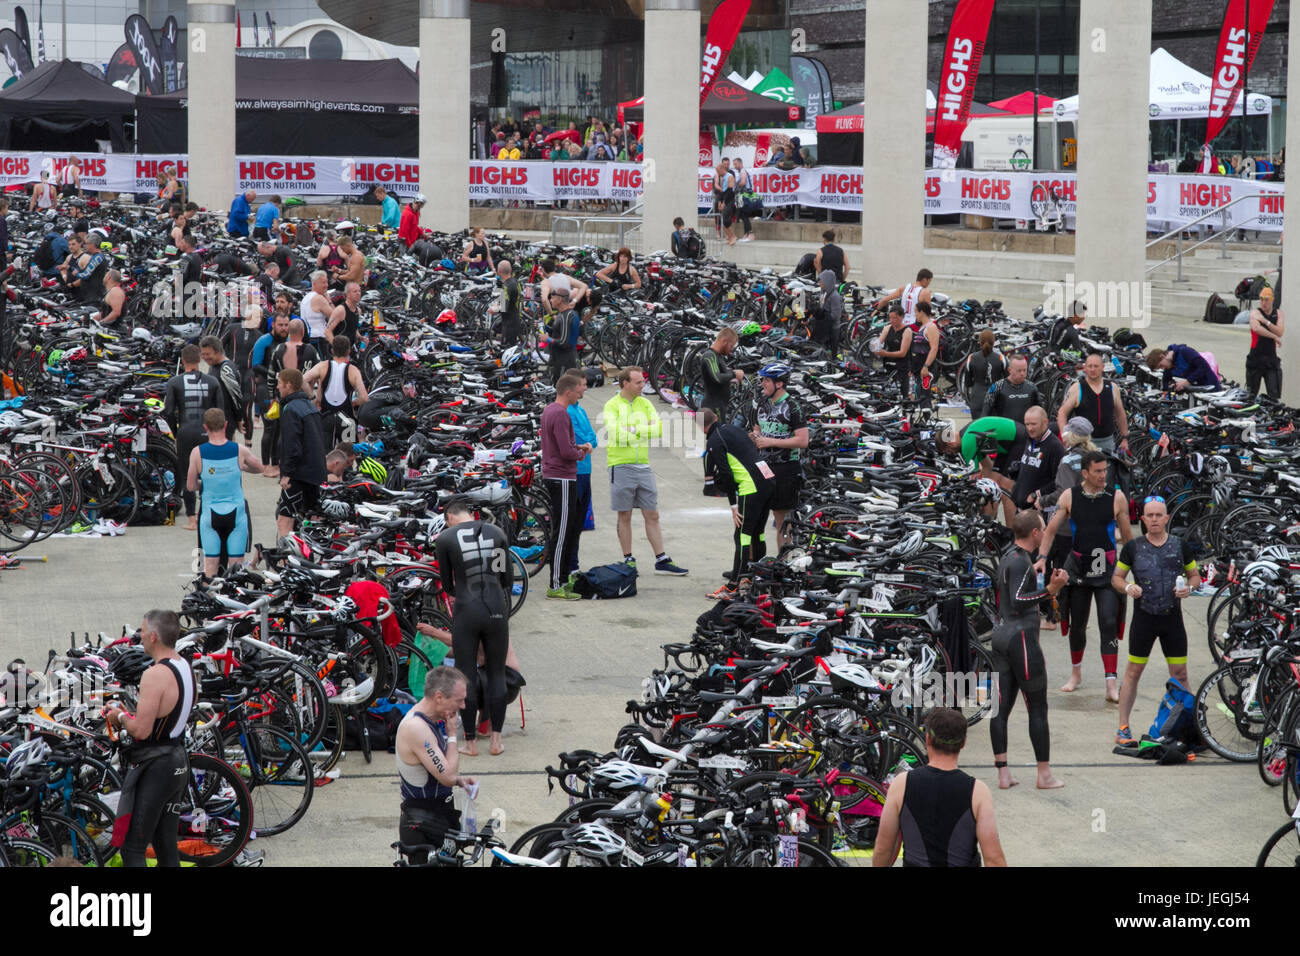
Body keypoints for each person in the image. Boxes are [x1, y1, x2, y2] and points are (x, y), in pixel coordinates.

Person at [1036, 450, 1135, 699]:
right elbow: (1049, 531)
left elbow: (1129, 539)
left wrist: (1136, 568)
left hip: (1107, 571)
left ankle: (1111, 682)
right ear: (1085, 473)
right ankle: (1076, 673)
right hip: (1079, 569)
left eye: (1105, 470)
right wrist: (1042, 558)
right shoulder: (1070, 496)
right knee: (1077, 625)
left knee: (1108, 622)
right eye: (1098, 471)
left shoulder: (1117, 497)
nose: (1104, 475)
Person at [103, 610, 194, 868]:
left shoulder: (154, 674)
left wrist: (119, 716)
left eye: (143, 630)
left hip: (157, 767)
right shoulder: (183, 666)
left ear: (153, 636)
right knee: (165, 844)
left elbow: (141, 731)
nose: (140, 635)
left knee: (133, 848)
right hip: (177, 761)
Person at [1111, 496, 1201, 747]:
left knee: (1180, 674)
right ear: (1142, 519)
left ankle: (1189, 726)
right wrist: (1128, 586)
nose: (1154, 520)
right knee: (1133, 672)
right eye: (1149, 516)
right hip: (1144, 619)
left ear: (1166, 518)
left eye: (1158, 515)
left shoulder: (1180, 546)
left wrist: (1189, 590)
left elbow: (1195, 576)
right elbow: (1116, 578)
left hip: (1172, 619)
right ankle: (1123, 727)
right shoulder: (1133, 547)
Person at [989, 512, 1068, 791]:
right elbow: (1019, 599)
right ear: (1034, 533)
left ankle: (1003, 773)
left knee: (1000, 710)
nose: (1045, 533)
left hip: (1000, 637)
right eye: (1043, 529)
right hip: (1021, 640)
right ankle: (1044, 775)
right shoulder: (1021, 561)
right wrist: (1051, 589)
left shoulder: (1010, 555)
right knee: (1038, 709)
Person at [873, 708, 1007, 867]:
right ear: (963, 743)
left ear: (927, 739)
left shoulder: (901, 784)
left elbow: (883, 849)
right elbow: (993, 858)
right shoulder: (978, 791)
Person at [434, 500, 512, 757]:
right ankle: (497, 741)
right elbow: (505, 579)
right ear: (471, 514)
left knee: (465, 675)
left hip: (467, 610)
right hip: (496, 607)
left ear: (449, 517)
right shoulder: (496, 532)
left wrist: (466, 597)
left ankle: (470, 743)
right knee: (497, 672)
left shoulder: (445, 538)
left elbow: (447, 584)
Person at [604, 366, 688, 575]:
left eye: (642, 381)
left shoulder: (645, 403)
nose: (643, 385)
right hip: (620, 465)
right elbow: (616, 435)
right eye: (638, 382)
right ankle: (628, 558)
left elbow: (658, 430)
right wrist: (641, 431)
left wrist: (632, 429)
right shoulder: (612, 405)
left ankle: (661, 559)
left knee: (652, 514)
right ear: (625, 383)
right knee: (624, 515)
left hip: (643, 465)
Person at [394, 667, 477, 863]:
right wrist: (451, 736)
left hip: (436, 816)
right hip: (422, 824)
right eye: (459, 700)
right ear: (439, 697)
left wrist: (460, 781)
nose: (463, 706)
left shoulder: (430, 721)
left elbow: (446, 771)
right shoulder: (416, 728)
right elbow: (447, 777)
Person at [699, 407, 772, 599]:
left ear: (701, 427)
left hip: (751, 486)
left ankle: (733, 587)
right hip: (767, 478)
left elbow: (726, 475)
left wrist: (734, 506)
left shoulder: (714, 440)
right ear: (716, 417)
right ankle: (755, 576)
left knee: (742, 536)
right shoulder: (733, 428)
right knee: (758, 533)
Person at [187, 408, 263, 577]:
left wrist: (205, 482)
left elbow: (191, 486)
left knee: (211, 567)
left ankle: (212, 600)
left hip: (210, 515)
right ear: (226, 425)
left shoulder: (197, 453)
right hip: (236, 515)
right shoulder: (239, 450)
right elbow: (259, 468)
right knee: (237, 569)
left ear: (205, 427)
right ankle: (233, 601)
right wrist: (240, 468)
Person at [541, 371, 592, 599]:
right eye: (579, 389)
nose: (582, 392)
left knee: (567, 529)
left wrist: (575, 449)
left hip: (559, 475)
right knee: (562, 532)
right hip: (561, 476)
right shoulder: (561, 414)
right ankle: (555, 584)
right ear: (568, 391)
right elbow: (565, 450)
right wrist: (582, 451)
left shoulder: (550, 410)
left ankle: (561, 579)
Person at [163, 344, 222, 532]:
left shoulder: (174, 382)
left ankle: (192, 519)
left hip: (186, 432)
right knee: (209, 476)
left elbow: (169, 412)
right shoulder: (212, 382)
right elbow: (219, 412)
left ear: (184, 360)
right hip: (208, 433)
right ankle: (206, 516)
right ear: (199, 359)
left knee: (189, 475)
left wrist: (175, 432)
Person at [753, 363, 808, 553]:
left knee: (782, 521)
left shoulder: (793, 407)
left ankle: (783, 562)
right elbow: (757, 426)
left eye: (767, 380)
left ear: (779, 384)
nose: (762, 384)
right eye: (762, 380)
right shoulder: (763, 402)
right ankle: (753, 564)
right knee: (756, 518)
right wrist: (756, 435)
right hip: (763, 467)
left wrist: (769, 442)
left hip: (785, 470)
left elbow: (802, 440)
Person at [275, 368, 327, 538]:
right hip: (316, 473)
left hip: (298, 474)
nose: (278, 387)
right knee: (313, 518)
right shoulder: (309, 406)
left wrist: (287, 474)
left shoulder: (291, 409)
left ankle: (285, 560)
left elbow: (292, 446)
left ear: (289, 385)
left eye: (280, 384)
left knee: (285, 519)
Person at [1055, 350, 1130, 456]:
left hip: (1107, 442)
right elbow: (1062, 413)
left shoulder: (1112, 387)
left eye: (1096, 366)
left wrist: (1124, 438)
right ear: (1085, 368)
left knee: (1105, 471)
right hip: (1083, 442)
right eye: (1089, 366)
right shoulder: (1077, 388)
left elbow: (1120, 414)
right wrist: (1065, 434)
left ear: (1103, 367)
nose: (1092, 369)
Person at [303, 335, 369, 446]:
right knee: (348, 455)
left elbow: (302, 379)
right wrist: (353, 403)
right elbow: (364, 398)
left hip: (326, 417)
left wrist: (312, 398)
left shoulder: (322, 366)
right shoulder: (353, 370)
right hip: (346, 418)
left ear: (332, 350)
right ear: (349, 351)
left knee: (326, 455)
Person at [566, 374, 599, 575]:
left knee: (579, 523)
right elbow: (579, 438)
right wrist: (587, 443)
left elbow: (592, 439)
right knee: (573, 522)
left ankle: (574, 564)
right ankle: (570, 565)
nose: (586, 388)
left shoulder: (581, 410)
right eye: (584, 384)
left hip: (585, 470)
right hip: (575, 472)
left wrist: (588, 443)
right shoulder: (568, 412)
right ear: (574, 386)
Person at [251, 311, 291, 477]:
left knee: (280, 428)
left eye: (286, 325)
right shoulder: (264, 341)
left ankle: (276, 463)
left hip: (281, 390)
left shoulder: (289, 342)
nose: (283, 328)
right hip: (264, 389)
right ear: (273, 325)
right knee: (270, 428)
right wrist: (274, 374)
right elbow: (255, 365)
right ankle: (266, 465)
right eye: (280, 325)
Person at [221, 305, 266, 444]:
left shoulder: (260, 337)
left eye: (260, 317)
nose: (259, 320)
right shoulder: (232, 328)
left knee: (247, 411)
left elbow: (262, 360)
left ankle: (248, 446)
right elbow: (218, 347)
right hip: (230, 375)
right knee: (227, 410)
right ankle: (230, 443)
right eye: (256, 316)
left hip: (248, 376)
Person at [199, 336, 245, 441]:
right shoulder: (213, 365)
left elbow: (236, 397)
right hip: (216, 420)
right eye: (203, 354)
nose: (205, 357)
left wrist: (239, 419)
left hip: (225, 421)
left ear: (219, 351)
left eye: (208, 354)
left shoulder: (226, 369)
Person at [1246, 287, 1284, 400]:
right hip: (1255, 359)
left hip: (1271, 360)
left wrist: (1265, 321)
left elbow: (1280, 331)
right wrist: (1273, 336)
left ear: (1272, 299)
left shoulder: (1279, 313)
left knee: (1274, 396)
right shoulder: (1255, 312)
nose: (1263, 302)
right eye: (1261, 299)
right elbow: (1256, 328)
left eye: (1266, 299)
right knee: (1251, 396)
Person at [699, 327, 744, 418]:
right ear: (724, 341)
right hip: (712, 407)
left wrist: (730, 373)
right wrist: (734, 374)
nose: (731, 350)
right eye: (731, 346)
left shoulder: (717, 356)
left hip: (718, 405)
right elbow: (717, 377)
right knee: (716, 432)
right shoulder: (710, 356)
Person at [981, 353, 1040, 424]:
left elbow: (1040, 413)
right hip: (1004, 430)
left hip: (1025, 431)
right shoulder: (997, 386)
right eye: (1019, 370)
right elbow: (985, 413)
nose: (1022, 373)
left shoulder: (1032, 387)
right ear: (1009, 370)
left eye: (1024, 370)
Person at [963, 330, 1005, 417]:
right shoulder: (1001, 358)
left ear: (979, 342)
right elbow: (1007, 381)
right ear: (993, 343)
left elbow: (968, 383)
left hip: (977, 399)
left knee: (978, 429)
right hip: (996, 400)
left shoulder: (971, 358)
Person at [908, 300, 941, 406]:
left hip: (926, 367)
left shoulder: (931, 327)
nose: (915, 315)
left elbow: (934, 348)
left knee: (924, 395)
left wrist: (926, 366)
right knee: (918, 394)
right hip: (918, 367)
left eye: (916, 312)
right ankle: (923, 419)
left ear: (922, 312)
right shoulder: (922, 326)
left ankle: (927, 420)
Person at [1145, 345, 1219, 390]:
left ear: (1162, 356)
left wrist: (1187, 382)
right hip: (1195, 391)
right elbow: (1165, 381)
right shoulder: (1169, 366)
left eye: (1161, 366)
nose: (1163, 368)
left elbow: (1204, 366)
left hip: (1210, 387)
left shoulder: (1184, 352)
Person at [713, 161, 751, 245]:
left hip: (731, 200)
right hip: (727, 200)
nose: (717, 173)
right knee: (724, 219)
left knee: (727, 218)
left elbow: (729, 191)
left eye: (718, 171)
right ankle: (730, 237)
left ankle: (733, 236)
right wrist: (720, 201)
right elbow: (722, 192)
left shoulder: (730, 177)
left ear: (722, 169)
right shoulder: (723, 178)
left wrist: (724, 203)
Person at [300, 270, 333, 355]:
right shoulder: (319, 298)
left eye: (327, 282)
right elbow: (335, 316)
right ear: (314, 284)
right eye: (323, 282)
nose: (326, 285)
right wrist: (329, 301)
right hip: (317, 338)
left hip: (307, 337)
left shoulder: (306, 297)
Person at [812, 270, 843, 356]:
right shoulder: (822, 293)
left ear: (827, 281)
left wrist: (824, 317)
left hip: (832, 329)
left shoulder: (834, 296)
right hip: (823, 328)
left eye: (822, 280)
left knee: (831, 354)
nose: (820, 282)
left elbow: (836, 315)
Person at [325, 281, 362, 352]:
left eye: (359, 291)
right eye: (355, 291)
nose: (358, 293)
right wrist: (337, 348)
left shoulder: (358, 310)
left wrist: (360, 337)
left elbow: (353, 329)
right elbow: (327, 332)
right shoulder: (341, 310)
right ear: (347, 294)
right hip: (338, 352)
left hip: (349, 349)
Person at [493, 261, 523, 349]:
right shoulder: (515, 282)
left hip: (509, 322)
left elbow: (503, 306)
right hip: (515, 318)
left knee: (506, 349)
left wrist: (493, 310)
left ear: (499, 271)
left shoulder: (506, 286)